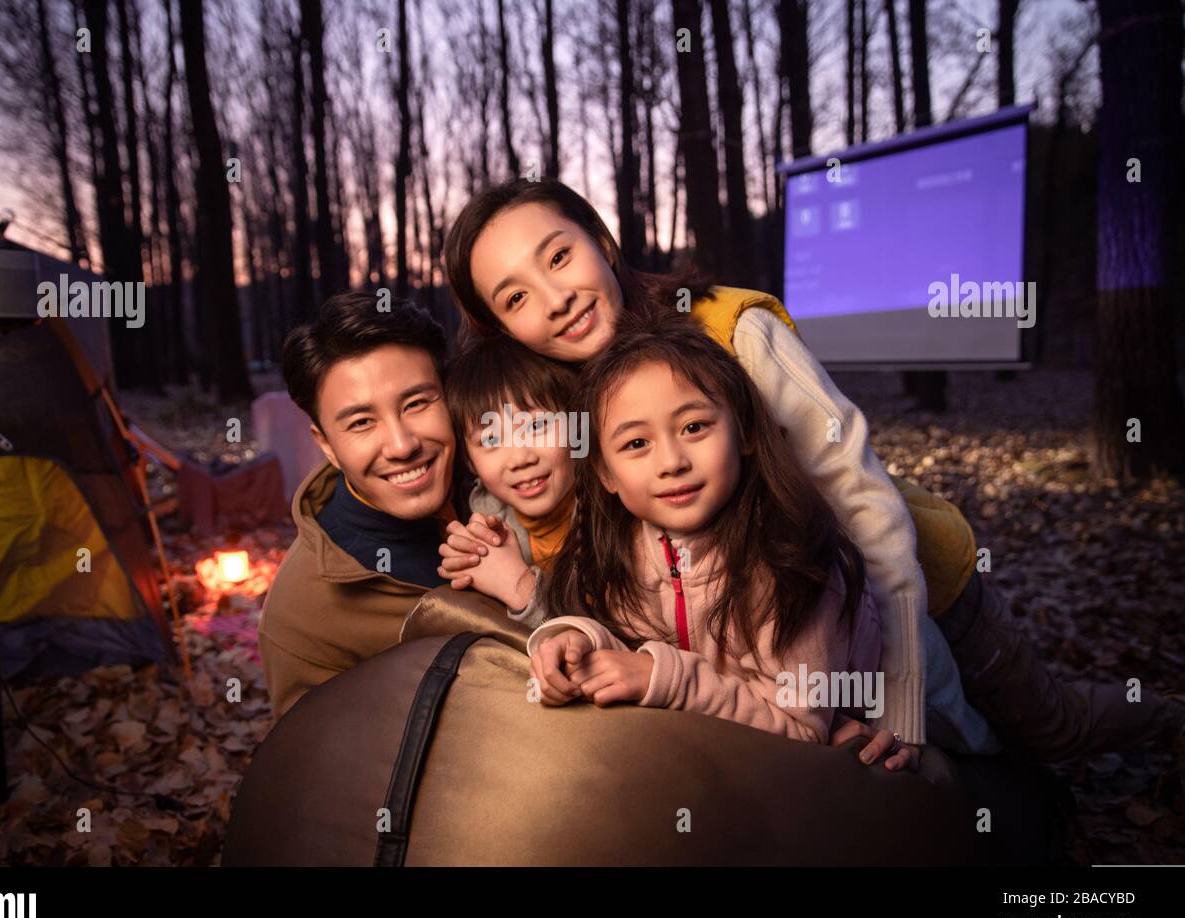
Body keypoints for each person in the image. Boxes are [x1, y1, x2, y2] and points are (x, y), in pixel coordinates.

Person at [442, 177, 1185, 768]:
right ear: (501, 327)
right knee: (957, 771)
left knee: (1043, 730)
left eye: (559, 257)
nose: (556, 299)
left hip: (909, 583)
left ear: (603, 242)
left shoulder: (735, 330)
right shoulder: (571, 391)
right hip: (784, 647)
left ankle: (1164, 720)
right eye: (516, 297)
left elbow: (861, 502)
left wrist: (894, 697)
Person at [526, 318, 888, 744]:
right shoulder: (627, 548)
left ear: (744, 432)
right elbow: (634, 657)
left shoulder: (795, 565)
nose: (672, 462)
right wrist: (578, 641)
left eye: (694, 427)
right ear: (606, 473)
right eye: (637, 444)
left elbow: (801, 737)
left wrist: (668, 679)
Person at [258, 291, 462, 720]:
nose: (402, 445)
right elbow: (315, 758)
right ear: (326, 445)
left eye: (416, 403)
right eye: (362, 422)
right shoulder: (301, 616)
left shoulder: (515, 480)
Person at [438, 335, 579, 626]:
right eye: (491, 440)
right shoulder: (486, 525)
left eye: (537, 425)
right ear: (470, 462)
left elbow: (601, 643)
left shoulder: (621, 518)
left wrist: (519, 585)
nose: (519, 458)